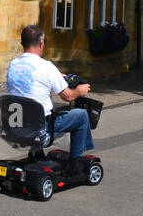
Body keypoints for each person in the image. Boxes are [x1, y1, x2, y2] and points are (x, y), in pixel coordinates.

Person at [6, 24, 94, 161]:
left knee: (33, 108)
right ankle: (75, 161)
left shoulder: (14, 64)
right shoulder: (47, 67)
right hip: (42, 128)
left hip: (16, 125)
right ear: (41, 43)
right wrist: (79, 91)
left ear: (22, 43)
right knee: (81, 115)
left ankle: (37, 153)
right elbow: (68, 96)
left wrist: (56, 76)